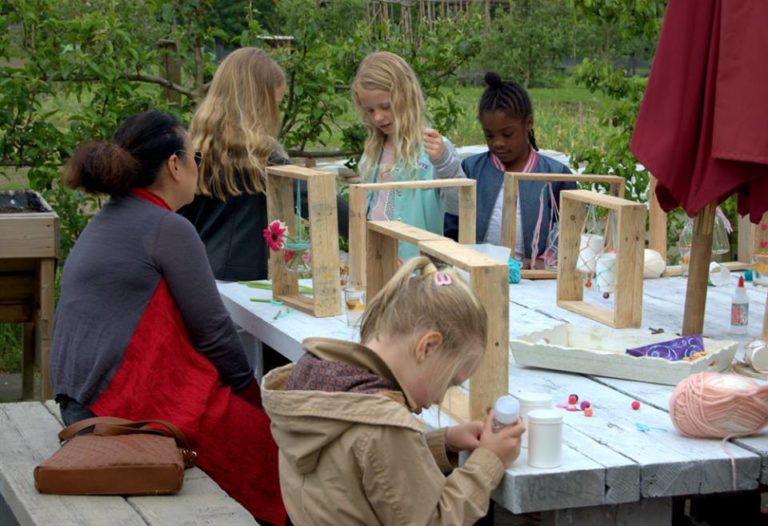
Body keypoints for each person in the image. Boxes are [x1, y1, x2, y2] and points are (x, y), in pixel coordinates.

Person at [50, 111, 286, 526]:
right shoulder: (166, 227)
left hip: (78, 398)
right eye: (194, 155)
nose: (199, 165)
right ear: (175, 165)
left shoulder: (111, 217)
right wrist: (253, 398)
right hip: (119, 405)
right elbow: (213, 333)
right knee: (278, 449)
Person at [262, 257, 525, 525]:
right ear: (428, 347)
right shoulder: (383, 427)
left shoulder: (319, 377)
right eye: (449, 382)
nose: (438, 398)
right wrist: (488, 462)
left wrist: (441, 442)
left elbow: (365, 469)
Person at [180, 47, 349, 282]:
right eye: (275, 105)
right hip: (237, 287)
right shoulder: (259, 162)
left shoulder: (194, 152)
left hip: (192, 275)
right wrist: (367, 232)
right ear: (257, 106)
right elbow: (322, 201)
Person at [444, 72, 576, 269]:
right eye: (489, 135)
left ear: (528, 123)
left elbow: (570, 234)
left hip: (536, 282)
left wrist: (542, 263)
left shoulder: (556, 176)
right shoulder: (470, 170)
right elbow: (452, 227)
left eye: (507, 134)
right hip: (477, 274)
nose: (498, 143)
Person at [352, 51, 464, 259]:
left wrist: (444, 163)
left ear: (407, 96)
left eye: (386, 106)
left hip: (417, 269)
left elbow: (460, 206)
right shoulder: (373, 152)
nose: (378, 117)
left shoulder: (434, 149)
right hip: (377, 264)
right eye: (370, 111)